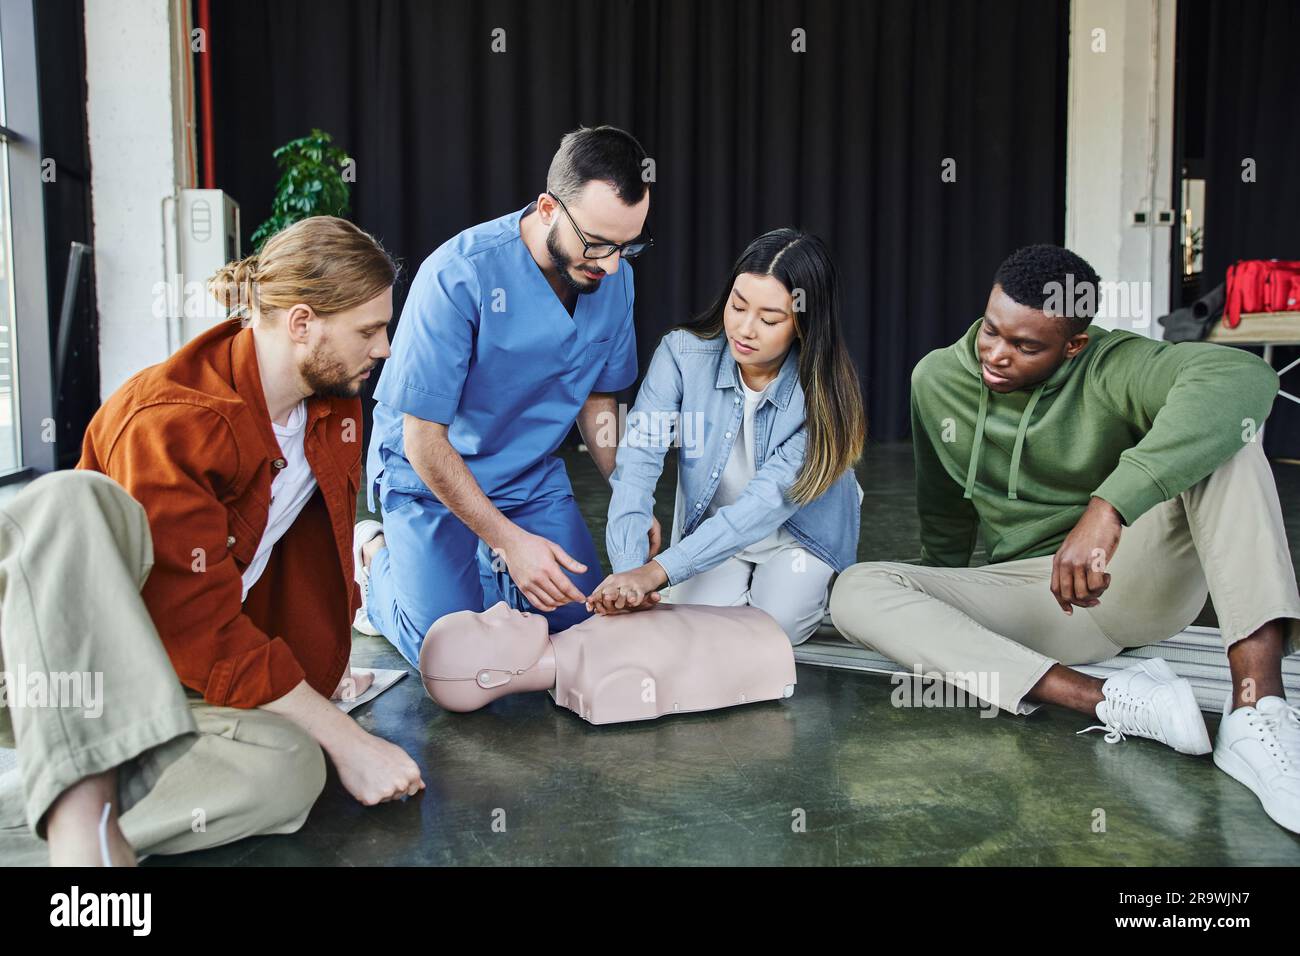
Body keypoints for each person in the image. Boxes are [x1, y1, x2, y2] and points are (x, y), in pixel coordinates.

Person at [830, 244, 1300, 833]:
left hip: (1134, 578)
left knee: (1232, 440)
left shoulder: (1113, 364)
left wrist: (1109, 509)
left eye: (1026, 347)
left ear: (1073, 344)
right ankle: (1110, 699)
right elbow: (945, 510)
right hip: (1042, 603)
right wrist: (933, 597)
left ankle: (1258, 712)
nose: (997, 356)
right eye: (991, 332)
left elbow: (1242, 376)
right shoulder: (937, 378)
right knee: (856, 589)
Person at [0, 216, 424, 867]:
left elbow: (309, 561)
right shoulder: (170, 421)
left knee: (289, 773)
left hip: (176, 683)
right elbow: (191, 623)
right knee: (69, 499)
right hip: (68, 669)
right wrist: (347, 739)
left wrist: (321, 683)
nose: (385, 347)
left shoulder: (333, 404)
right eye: (369, 330)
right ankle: (80, 820)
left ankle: (81, 807)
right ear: (303, 323)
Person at [356, 126, 656, 667]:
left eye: (627, 246)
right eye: (597, 243)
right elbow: (423, 440)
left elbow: (599, 404)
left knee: (585, 628)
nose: (611, 265)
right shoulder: (457, 275)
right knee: (451, 657)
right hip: (430, 478)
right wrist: (508, 542)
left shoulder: (615, 278)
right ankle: (375, 561)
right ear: (547, 209)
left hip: (526, 477)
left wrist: (626, 486)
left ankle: (480, 575)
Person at [591, 229, 865, 645]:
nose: (745, 329)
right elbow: (638, 462)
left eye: (770, 319)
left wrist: (658, 572)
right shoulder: (681, 355)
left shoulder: (823, 397)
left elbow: (763, 506)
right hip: (714, 528)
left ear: (804, 325)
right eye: (737, 306)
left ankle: (819, 588)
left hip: (798, 532)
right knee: (691, 623)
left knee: (775, 627)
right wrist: (631, 573)